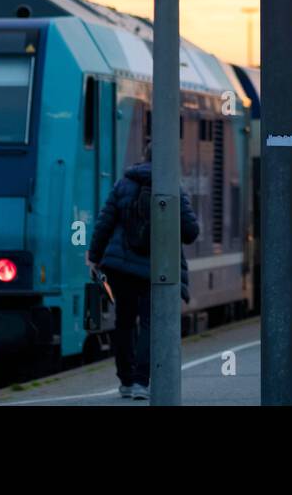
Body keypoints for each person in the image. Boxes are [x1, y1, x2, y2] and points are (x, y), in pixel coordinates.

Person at [88, 144, 199, 401]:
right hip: (156, 269)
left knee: (124, 323)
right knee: (150, 324)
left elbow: (104, 224)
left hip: (121, 268)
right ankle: (141, 382)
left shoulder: (123, 184)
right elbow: (192, 232)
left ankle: (125, 381)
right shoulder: (172, 188)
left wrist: (94, 257)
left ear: (144, 158)